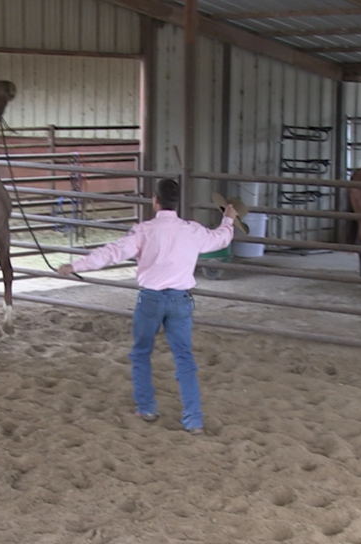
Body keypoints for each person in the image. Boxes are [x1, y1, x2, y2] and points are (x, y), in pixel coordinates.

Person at [57, 179, 236, 435]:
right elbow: (221, 239)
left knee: (141, 352)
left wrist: (75, 266)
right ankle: (193, 419)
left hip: (150, 299)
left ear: (155, 200)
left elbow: (112, 252)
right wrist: (228, 219)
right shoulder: (192, 230)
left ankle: (147, 407)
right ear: (177, 202)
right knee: (184, 357)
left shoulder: (143, 231)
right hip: (180, 299)